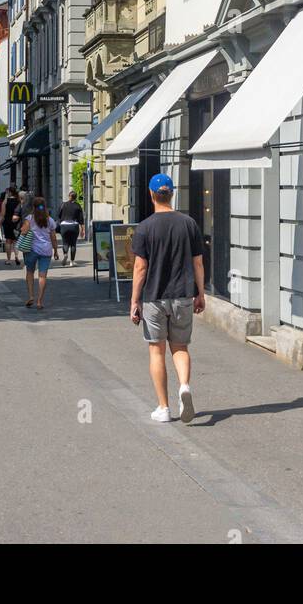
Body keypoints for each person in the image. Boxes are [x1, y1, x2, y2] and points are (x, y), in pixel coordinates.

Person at [130, 174, 205, 423]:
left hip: (154, 297)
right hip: (183, 295)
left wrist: (134, 302)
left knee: (156, 351)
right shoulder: (189, 224)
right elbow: (197, 262)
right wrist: (201, 293)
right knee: (180, 347)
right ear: (172, 194)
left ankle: (163, 408)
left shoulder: (145, 227)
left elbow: (140, 268)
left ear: (151, 195)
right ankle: (184, 386)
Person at [20, 197, 57, 310]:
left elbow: (24, 231)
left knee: (30, 272)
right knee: (42, 276)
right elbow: (53, 237)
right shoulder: (50, 220)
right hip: (46, 250)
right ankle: (40, 301)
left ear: (33, 207)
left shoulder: (29, 218)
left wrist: (23, 229)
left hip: (31, 249)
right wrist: (55, 250)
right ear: (44, 207)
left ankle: (31, 296)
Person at [56, 191, 84, 266]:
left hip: (64, 226)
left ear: (69, 196)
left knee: (65, 242)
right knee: (73, 244)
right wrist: (82, 229)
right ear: (76, 197)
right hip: (74, 226)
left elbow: (58, 215)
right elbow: (81, 219)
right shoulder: (78, 206)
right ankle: (72, 261)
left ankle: (65, 254)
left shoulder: (63, 204)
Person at [0, 183, 23, 267]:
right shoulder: (19, 201)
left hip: (7, 222)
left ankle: (8, 259)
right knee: (16, 241)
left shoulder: (5, 201)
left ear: (9, 192)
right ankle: (16, 256)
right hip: (17, 223)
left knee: (8, 241)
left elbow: (2, 214)